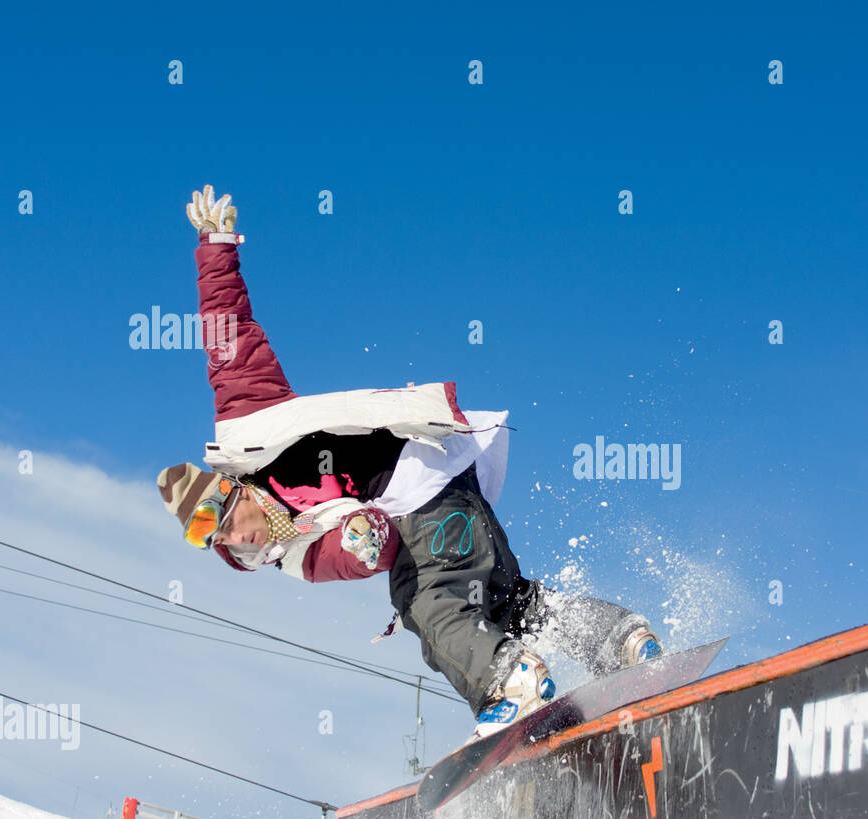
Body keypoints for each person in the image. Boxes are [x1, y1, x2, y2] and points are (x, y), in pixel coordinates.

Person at [158, 186, 663, 739]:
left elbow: (228, 336)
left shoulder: (248, 426)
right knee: (498, 601)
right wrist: (363, 541)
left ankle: (510, 682)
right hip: (449, 494)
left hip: (417, 473)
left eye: (218, 520)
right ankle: (619, 639)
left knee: (425, 601)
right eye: (210, 541)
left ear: (231, 490)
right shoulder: (294, 556)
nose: (230, 539)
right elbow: (357, 554)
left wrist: (215, 246)